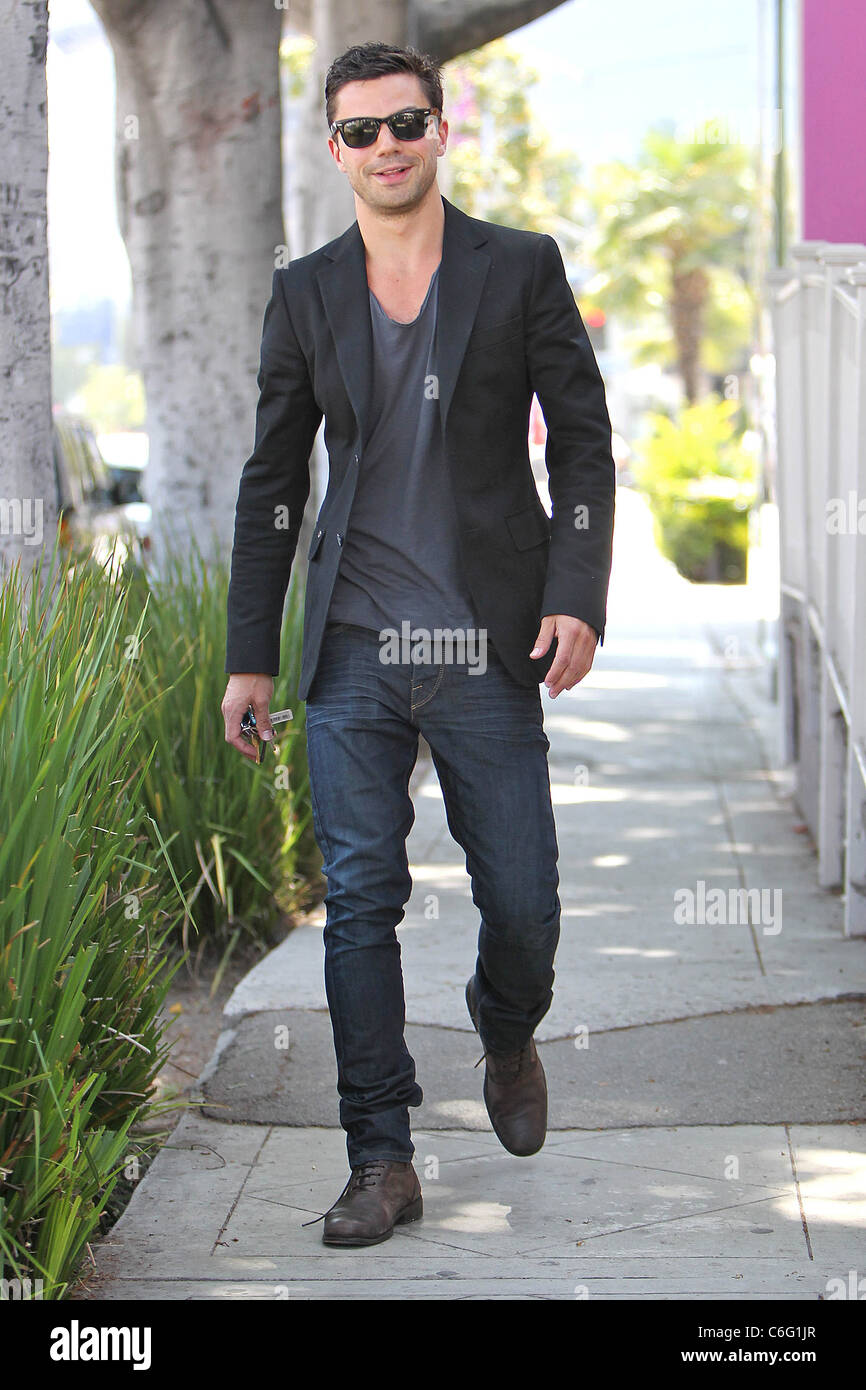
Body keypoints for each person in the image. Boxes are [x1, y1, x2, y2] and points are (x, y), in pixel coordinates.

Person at [222, 40, 616, 1248]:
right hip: (352, 651)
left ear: (440, 131)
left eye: (405, 122)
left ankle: (504, 1028)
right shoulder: (307, 293)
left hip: (487, 647)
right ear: (334, 149)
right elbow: (274, 478)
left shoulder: (518, 268)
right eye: (360, 130)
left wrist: (576, 593)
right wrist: (251, 652)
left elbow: (584, 445)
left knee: (525, 904)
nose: (385, 145)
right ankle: (380, 1156)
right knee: (357, 904)